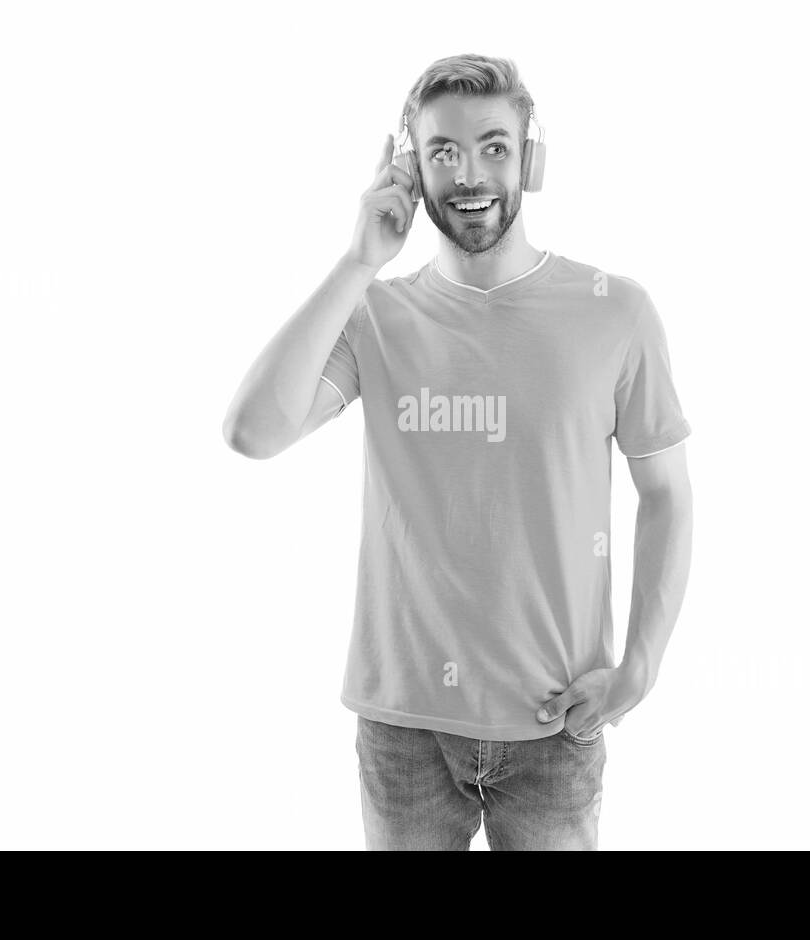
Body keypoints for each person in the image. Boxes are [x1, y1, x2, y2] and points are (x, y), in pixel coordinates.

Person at [222, 54, 693, 850]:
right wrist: (359, 261)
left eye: (494, 146)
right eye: (442, 151)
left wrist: (640, 664)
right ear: (411, 164)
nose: (469, 173)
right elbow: (252, 433)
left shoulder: (617, 312)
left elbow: (668, 495)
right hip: (403, 730)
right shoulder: (377, 314)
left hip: (557, 723)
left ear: (529, 160)